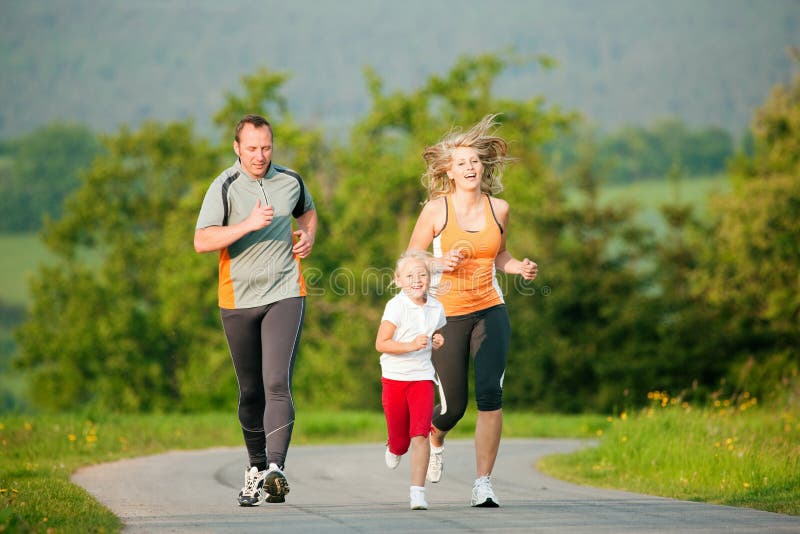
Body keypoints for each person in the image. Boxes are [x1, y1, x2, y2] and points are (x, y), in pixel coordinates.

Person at [407, 114, 538, 507]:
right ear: (449, 170)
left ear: (484, 167)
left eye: (475, 162)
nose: (470, 167)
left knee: (490, 395)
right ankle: (436, 433)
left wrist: (517, 266)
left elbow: (498, 254)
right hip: (447, 314)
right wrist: (437, 263)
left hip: (490, 309)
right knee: (452, 407)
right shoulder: (436, 210)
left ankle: (483, 483)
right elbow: (413, 256)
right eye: (461, 162)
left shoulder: (500, 209)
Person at [194, 114, 318, 506]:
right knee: (251, 392)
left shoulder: (290, 181)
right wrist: (247, 225)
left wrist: (308, 237)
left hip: (285, 291)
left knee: (277, 382)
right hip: (237, 299)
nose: (260, 155)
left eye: (266, 147)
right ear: (237, 148)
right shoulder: (224, 186)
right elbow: (202, 240)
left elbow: (308, 214)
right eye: (252, 148)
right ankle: (255, 468)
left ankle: (275, 470)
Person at [375, 250, 446, 510]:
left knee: (420, 435)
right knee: (401, 442)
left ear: (429, 278)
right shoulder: (396, 306)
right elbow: (381, 343)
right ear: (398, 280)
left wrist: (438, 340)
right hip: (394, 378)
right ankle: (393, 446)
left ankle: (417, 493)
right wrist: (410, 345)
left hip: (422, 378)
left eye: (422, 274)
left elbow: (436, 332)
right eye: (410, 275)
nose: (417, 280)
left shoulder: (436, 306)